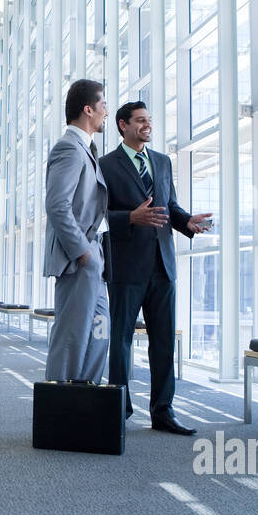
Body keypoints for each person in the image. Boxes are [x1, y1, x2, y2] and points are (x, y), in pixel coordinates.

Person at [100, 100, 212, 433]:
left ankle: (163, 410)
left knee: (163, 340)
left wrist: (186, 221)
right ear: (123, 125)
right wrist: (128, 218)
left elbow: (169, 206)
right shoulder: (106, 165)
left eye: (150, 120)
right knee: (120, 339)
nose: (147, 125)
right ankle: (119, 407)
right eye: (140, 121)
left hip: (163, 265)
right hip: (126, 265)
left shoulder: (161, 162)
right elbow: (96, 215)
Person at [43, 78, 110, 383]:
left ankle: (86, 406)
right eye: (103, 105)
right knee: (72, 338)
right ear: (88, 110)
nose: (106, 112)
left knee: (99, 333)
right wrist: (83, 252)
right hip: (78, 260)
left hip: (92, 258)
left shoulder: (86, 149)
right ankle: (61, 413)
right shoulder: (69, 148)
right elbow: (57, 205)